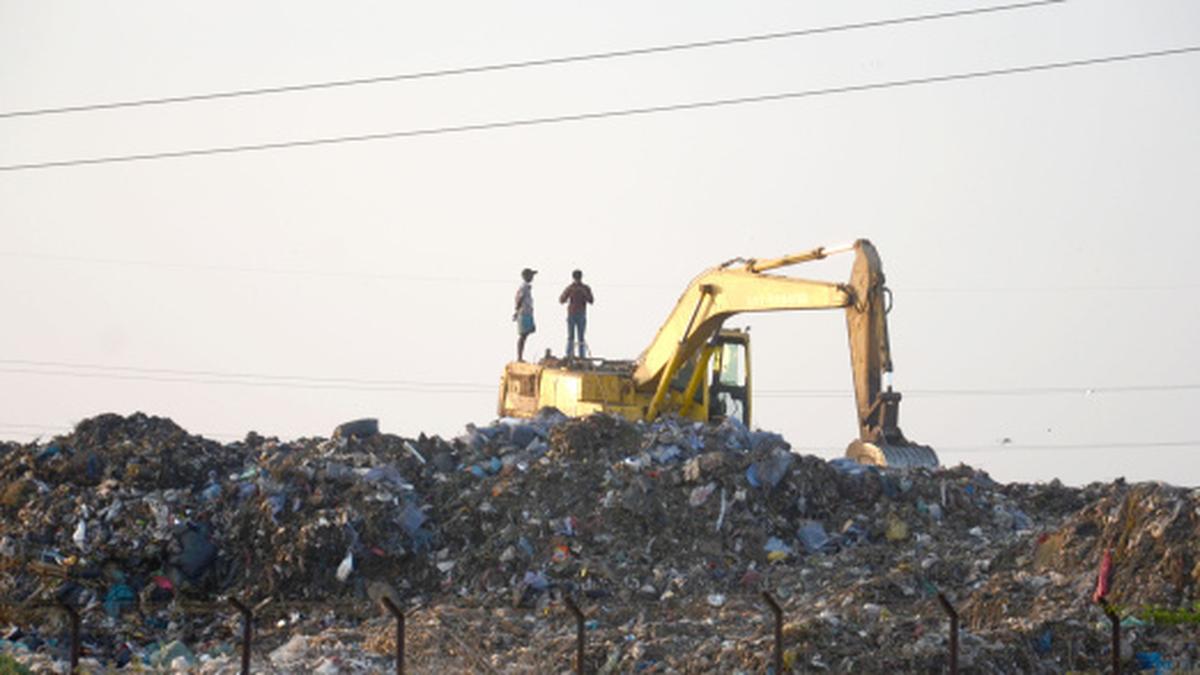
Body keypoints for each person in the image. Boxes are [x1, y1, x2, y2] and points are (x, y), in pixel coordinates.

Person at [559, 269, 594, 358]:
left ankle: (580, 355)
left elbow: (591, 300)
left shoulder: (584, 288)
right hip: (573, 314)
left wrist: (584, 294)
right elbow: (561, 300)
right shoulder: (571, 288)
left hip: (579, 314)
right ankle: (570, 354)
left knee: (579, 336)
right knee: (572, 336)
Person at [513, 268, 537, 361]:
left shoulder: (527, 287)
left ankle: (520, 356)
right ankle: (519, 357)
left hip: (527, 312)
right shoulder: (524, 287)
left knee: (527, 333)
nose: (532, 277)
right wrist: (517, 311)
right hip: (524, 313)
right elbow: (519, 299)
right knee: (523, 335)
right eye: (531, 275)